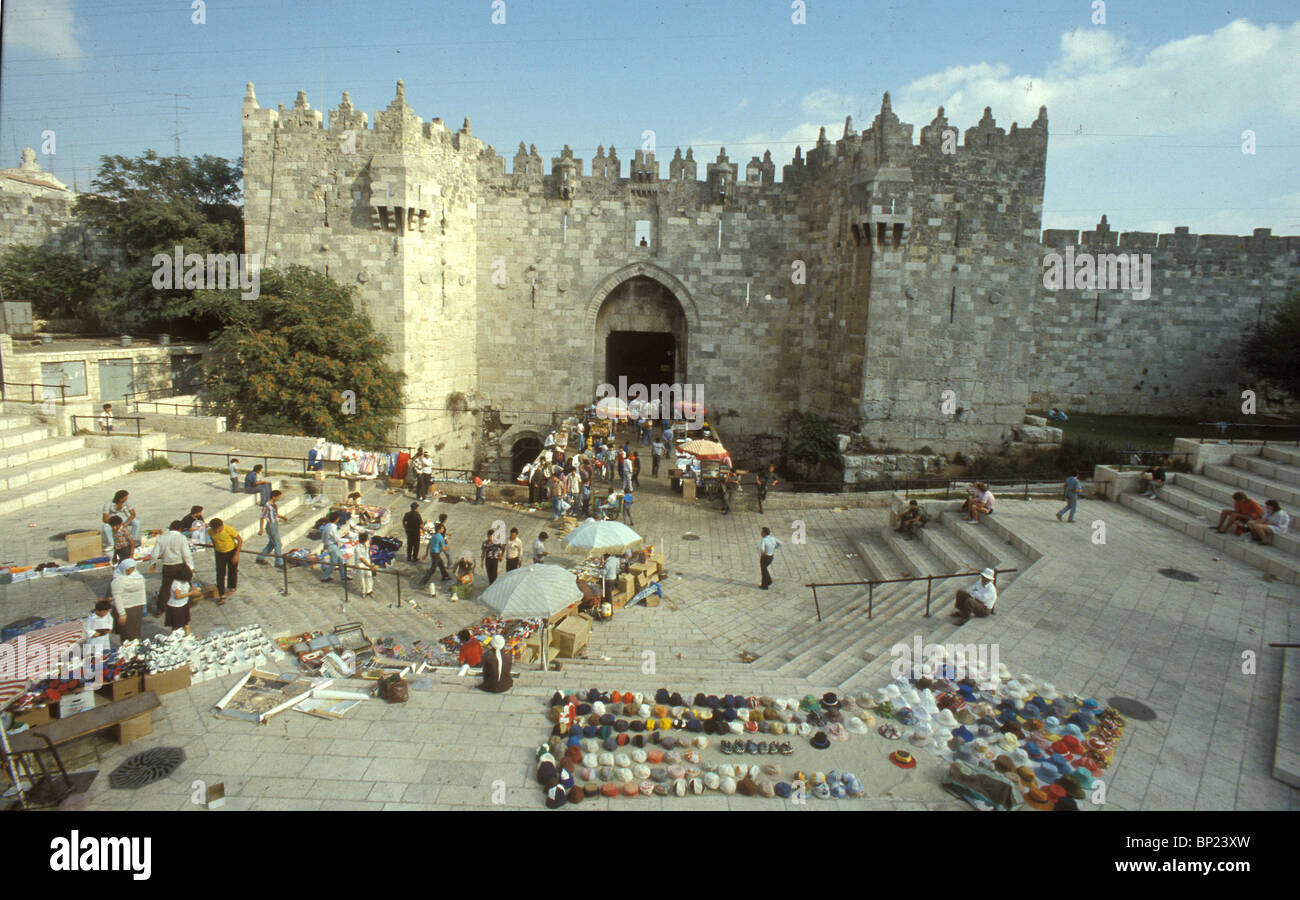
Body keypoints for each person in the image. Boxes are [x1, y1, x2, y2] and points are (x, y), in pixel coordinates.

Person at [149, 519, 196, 616]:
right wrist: (191, 566)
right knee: (184, 584)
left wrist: (153, 564)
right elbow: (186, 554)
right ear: (180, 528)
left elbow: (154, 554)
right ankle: (186, 603)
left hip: (167, 566)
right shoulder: (182, 538)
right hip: (180, 566)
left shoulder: (161, 538)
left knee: (165, 587)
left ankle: (160, 609)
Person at [109, 558, 147, 640]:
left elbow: (142, 590)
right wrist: (122, 613)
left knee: (136, 630)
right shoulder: (118, 580)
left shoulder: (138, 577)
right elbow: (117, 597)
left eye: (132, 569)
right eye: (127, 570)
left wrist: (144, 604)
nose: (129, 572)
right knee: (127, 632)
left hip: (137, 607)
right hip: (126, 608)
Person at [207, 518, 242, 603]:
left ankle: (232, 586)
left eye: (218, 529)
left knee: (232, 570)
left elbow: (240, 540)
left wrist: (236, 555)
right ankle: (221, 594)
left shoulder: (229, 529)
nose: (217, 531)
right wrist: (216, 548)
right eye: (215, 530)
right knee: (220, 573)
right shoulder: (210, 531)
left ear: (222, 526)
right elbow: (213, 540)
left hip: (231, 552)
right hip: (220, 553)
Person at [165, 564, 200, 637]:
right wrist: (191, 593)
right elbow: (177, 596)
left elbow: (190, 586)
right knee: (176, 626)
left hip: (184, 604)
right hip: (175, 607)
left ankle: (188, 636)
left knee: (186, 622)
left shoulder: (186, 580)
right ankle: (173, 638)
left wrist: (194, 590)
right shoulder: (176, 583)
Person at [258, 490, 288, 566]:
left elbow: (275, 514)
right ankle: (279, 562)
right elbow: (262, 517)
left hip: (275, 524)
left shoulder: (274, 505)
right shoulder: (267, 506)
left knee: (272, 543)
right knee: (278, 544)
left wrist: (282, 517)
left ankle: (260, 557)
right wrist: (261, 529)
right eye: (278, 497)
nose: (279, 498)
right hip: (270, 525)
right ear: (273, 497)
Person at [319, 511, 348, 582]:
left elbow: (323, 537)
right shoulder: (332, 527)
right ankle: (325, 577)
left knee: (340, 559)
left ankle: (343, 576)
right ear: (336, 519)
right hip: (332, 545)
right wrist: (347, 540)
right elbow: (337, 538)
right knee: (334, 562)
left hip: (331, 545)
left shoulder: (327, 526)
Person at [354, 532, 377, 597]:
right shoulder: (357, 548)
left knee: (369, 575)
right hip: (360, 563)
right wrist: (369, 566)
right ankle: (363, 591)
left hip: (367, 561)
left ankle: (369, 590)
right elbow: (361, 559)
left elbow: (368, 553)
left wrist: (371, 562)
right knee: (362, 577)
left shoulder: (367, 544)